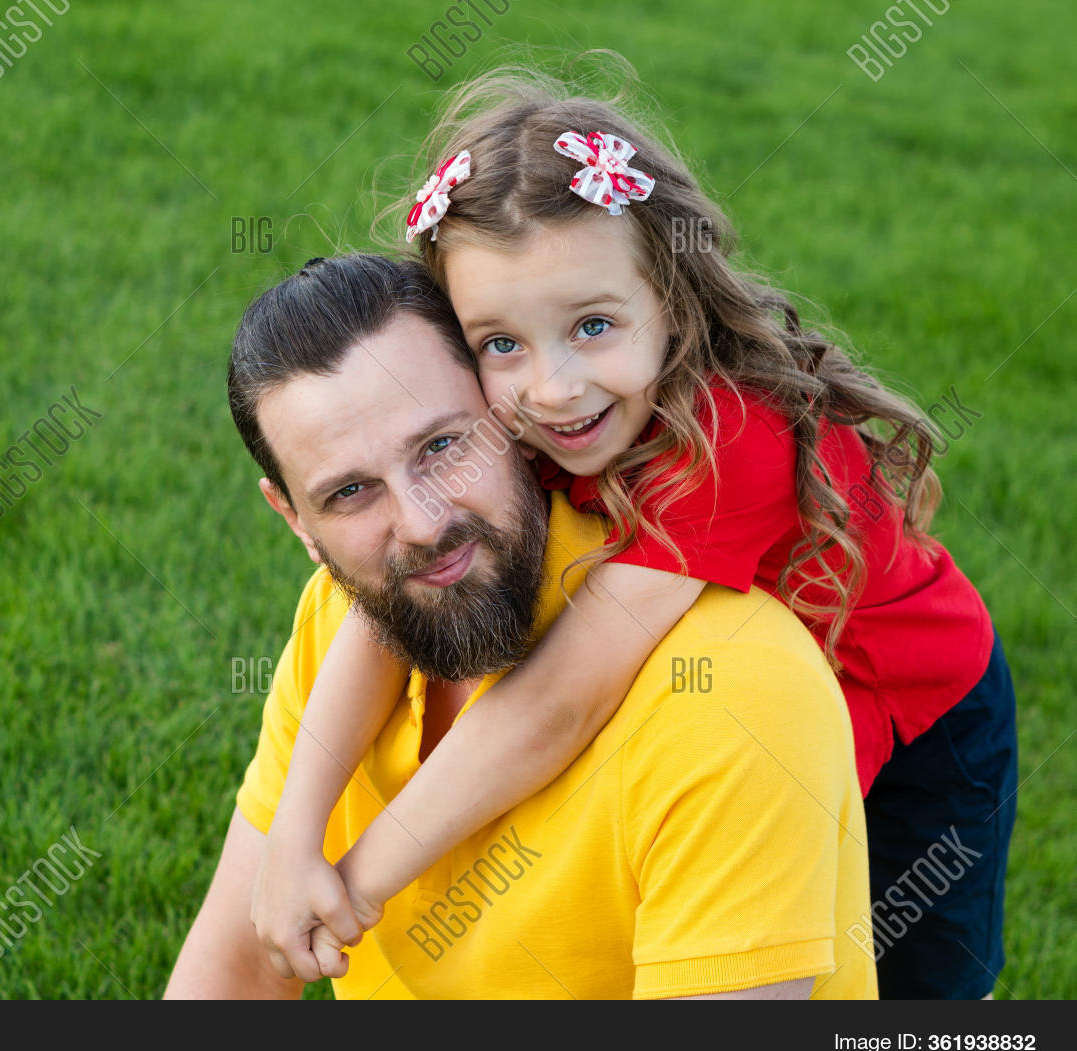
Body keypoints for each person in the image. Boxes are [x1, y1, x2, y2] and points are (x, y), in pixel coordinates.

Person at [249, 69, 1016, 1000]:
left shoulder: (730, 441)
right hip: (774, 677)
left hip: (915, 701)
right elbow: (381, 625)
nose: (553, 387)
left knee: (908, 989)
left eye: (594, 325)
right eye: (500, 343)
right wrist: (293, 842)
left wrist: (356, 882)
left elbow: (558, 706)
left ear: (673, 297)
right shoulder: (521, 424)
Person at [166, 253, 875, 999]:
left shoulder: (732, 689)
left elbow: (548, 710)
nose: (422, 523)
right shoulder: (343, 614)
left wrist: (356, 885)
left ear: (508, 415)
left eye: (443, 446)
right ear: (295, 520)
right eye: (350, 492)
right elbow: (239, 971)